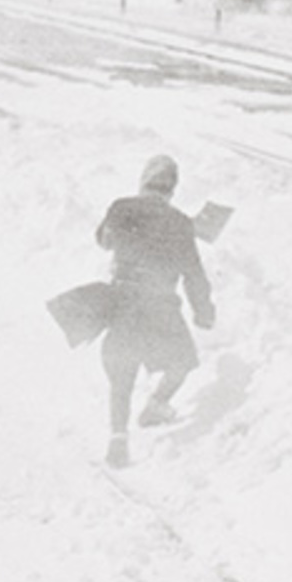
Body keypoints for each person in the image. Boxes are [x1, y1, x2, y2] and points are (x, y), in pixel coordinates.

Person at [93, 154, 214, 469]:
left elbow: (103, 241)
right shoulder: (180, 223)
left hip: (123, 300)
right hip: (160, 305)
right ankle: (157, 405)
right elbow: (193, 273)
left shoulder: (122, 208)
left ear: (143, 182)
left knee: (122, 370)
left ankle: (118, 439)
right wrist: (204, 311)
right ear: (172, 189)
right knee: (184, 361)